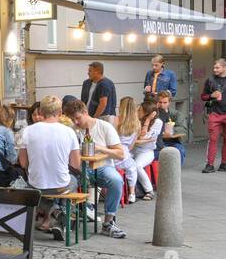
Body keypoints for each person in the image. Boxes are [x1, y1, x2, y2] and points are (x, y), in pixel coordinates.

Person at [18, 95, 81, 240]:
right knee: (73, 181)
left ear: (41, 112)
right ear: (60, 112)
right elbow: (76, 165)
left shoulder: (28, 131)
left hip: (36, 185)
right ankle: (62, 218)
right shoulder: (69, 132)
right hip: (61, 185)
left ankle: (58, 215)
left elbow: (23, 163)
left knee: (32, 189)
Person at [63, 98, 127, 238]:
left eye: (78, 118)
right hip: (78, 169)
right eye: (72, 120)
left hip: (101, 167)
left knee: (116, 180)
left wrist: (100, 148)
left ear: (85, 112)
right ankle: (64, 218)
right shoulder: (71, 130)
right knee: (62, 181)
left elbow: (120, 154)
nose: (76, 122)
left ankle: (109, 222)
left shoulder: (104, 127)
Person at [200, 58, 226, 174]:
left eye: (217, 67)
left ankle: (224, 164)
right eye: (214, 67)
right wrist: (211, 95)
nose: (214, 69)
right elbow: (203, 96)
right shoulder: (210, 80)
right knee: (213, 139)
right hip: (215, 113)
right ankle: (209, 164)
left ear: (224, 68)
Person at [114, 97, 150, 203]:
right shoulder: (137, 124)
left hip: (113, 155)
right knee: (132, 167)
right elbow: (131, 146)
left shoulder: (116, 120)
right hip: (125, 155)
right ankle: (132, 193)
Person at [154, 90, 186, 163]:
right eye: (160, 102)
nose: (162, 105)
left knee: (179, 151)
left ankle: (175, 173)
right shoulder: (153, 114)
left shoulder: (176, 114)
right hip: (157, 143)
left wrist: (171, 131)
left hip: (172, 142)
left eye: (165, 102)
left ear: (169, 102)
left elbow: (183, 128)